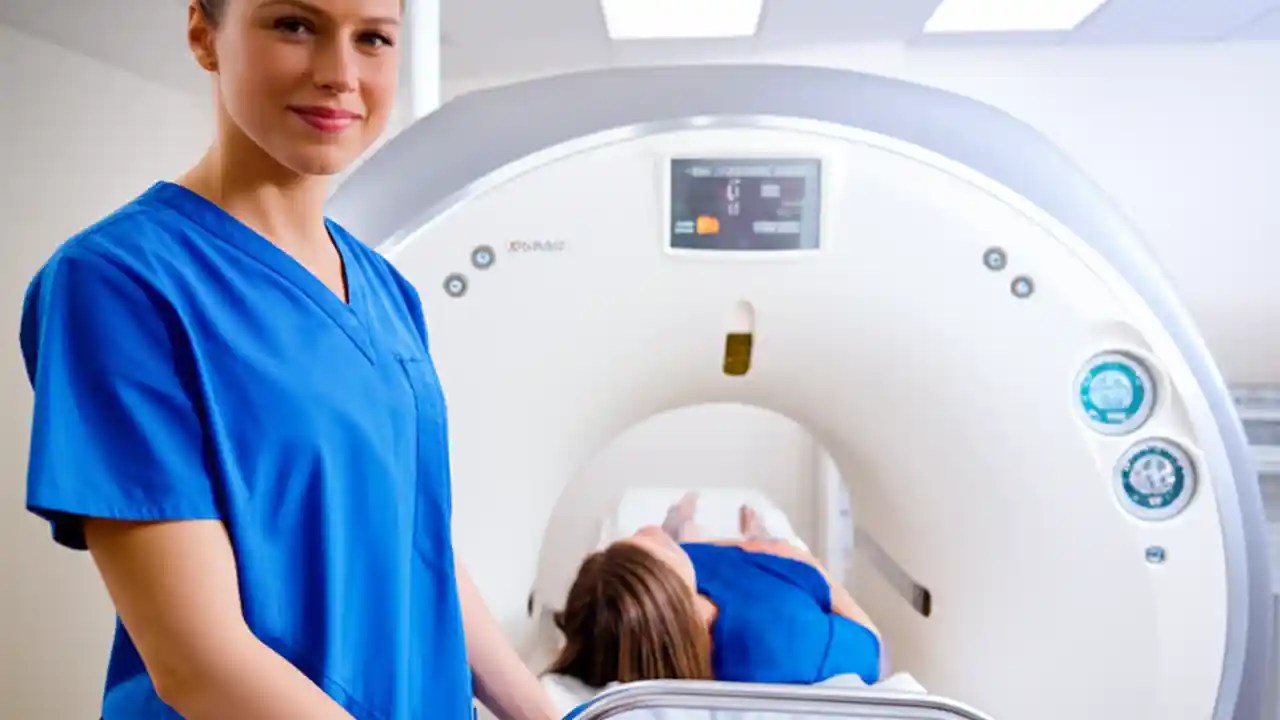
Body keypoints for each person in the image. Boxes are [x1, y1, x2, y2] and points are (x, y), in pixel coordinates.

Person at [18, 1, 557, 718]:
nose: (340, 74)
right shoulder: (119, 282)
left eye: (372, 38)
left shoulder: (387, 289)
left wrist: (542, 713)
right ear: (204, 35)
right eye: (294, 26)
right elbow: (195, 659)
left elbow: (417, 544)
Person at [549, 493, 882, 690]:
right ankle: (742, 531)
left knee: (724, 542)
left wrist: (750, 545)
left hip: (728, 574)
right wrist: (805, 561)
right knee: (775, 543)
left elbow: (712, 554)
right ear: (665, 591)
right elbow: (871, 646)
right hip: (785, 585)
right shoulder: (776, 646)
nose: (643, 529)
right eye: (643, 545)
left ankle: (689, 525)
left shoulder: (677, 592)